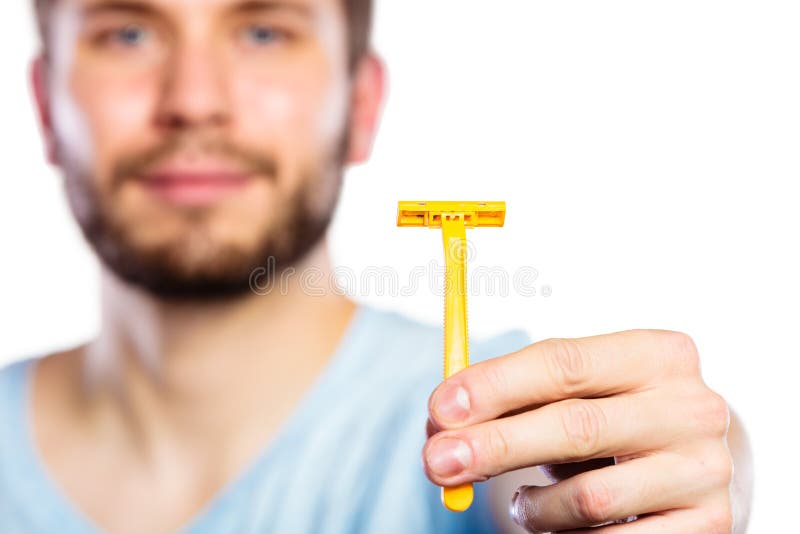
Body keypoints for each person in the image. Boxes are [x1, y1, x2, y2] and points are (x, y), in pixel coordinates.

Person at [0, 0, 753, 532]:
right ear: (43, 106)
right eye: (127, 31)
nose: (195, 100)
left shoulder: (480, 409)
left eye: (263, 28)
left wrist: (656, 479)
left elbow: (548, 477)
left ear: (361, 104)